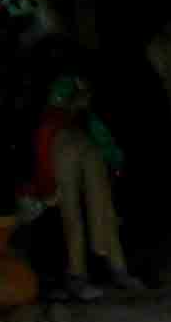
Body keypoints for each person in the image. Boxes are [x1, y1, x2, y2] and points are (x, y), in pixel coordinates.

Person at [22, 70, 137, 299]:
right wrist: (44, 188)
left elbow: (106, 145)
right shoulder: (53, 124)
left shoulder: (85, 122)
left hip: (78, 151)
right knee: (75, 215)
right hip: (64, 154)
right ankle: (79, 275)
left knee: (101, 211)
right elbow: (43, 153)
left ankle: (113, 270)